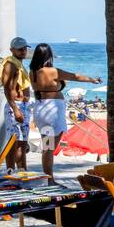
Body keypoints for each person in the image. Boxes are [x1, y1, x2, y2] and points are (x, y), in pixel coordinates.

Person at [28, 43, 101, 177]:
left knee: (47, 147)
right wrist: (92, 80)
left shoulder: (32, 72)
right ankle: (49, 179)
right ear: (48, 56)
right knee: (49, 148)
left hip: (41, 109)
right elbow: (76, 76)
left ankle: (47, 177)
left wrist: (60, 84)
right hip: (52, 111)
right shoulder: (53, 71)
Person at [1, 37, 32, 172]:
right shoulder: (10, 64)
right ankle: (13, 171)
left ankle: (21, 172)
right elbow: (7, 88)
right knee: (15, 142)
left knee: (21, 143)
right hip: (16, 106)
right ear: (12, 50)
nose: (23, 51)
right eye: (20, 49)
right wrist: (15, 109)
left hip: (22, 106)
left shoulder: (18, 63)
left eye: (25, 48)